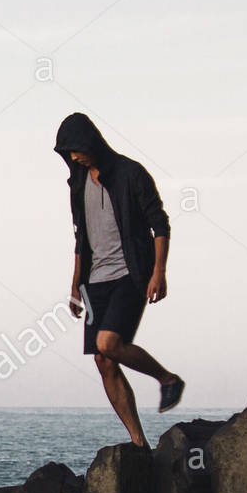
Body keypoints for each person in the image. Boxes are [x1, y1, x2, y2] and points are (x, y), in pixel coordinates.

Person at [55, 112, 184, 447]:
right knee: (104, 361)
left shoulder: (131, 174)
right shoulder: (79, 182)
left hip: (131, 273)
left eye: (76, 149)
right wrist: (74, 287)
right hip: (94, 281)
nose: (73, 157)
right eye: (67, 153)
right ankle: (139, 443)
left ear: (92, 142)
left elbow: (160, 224)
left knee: (108, 343)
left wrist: (159, 271)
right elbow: (80, 237)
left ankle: (167, 378)